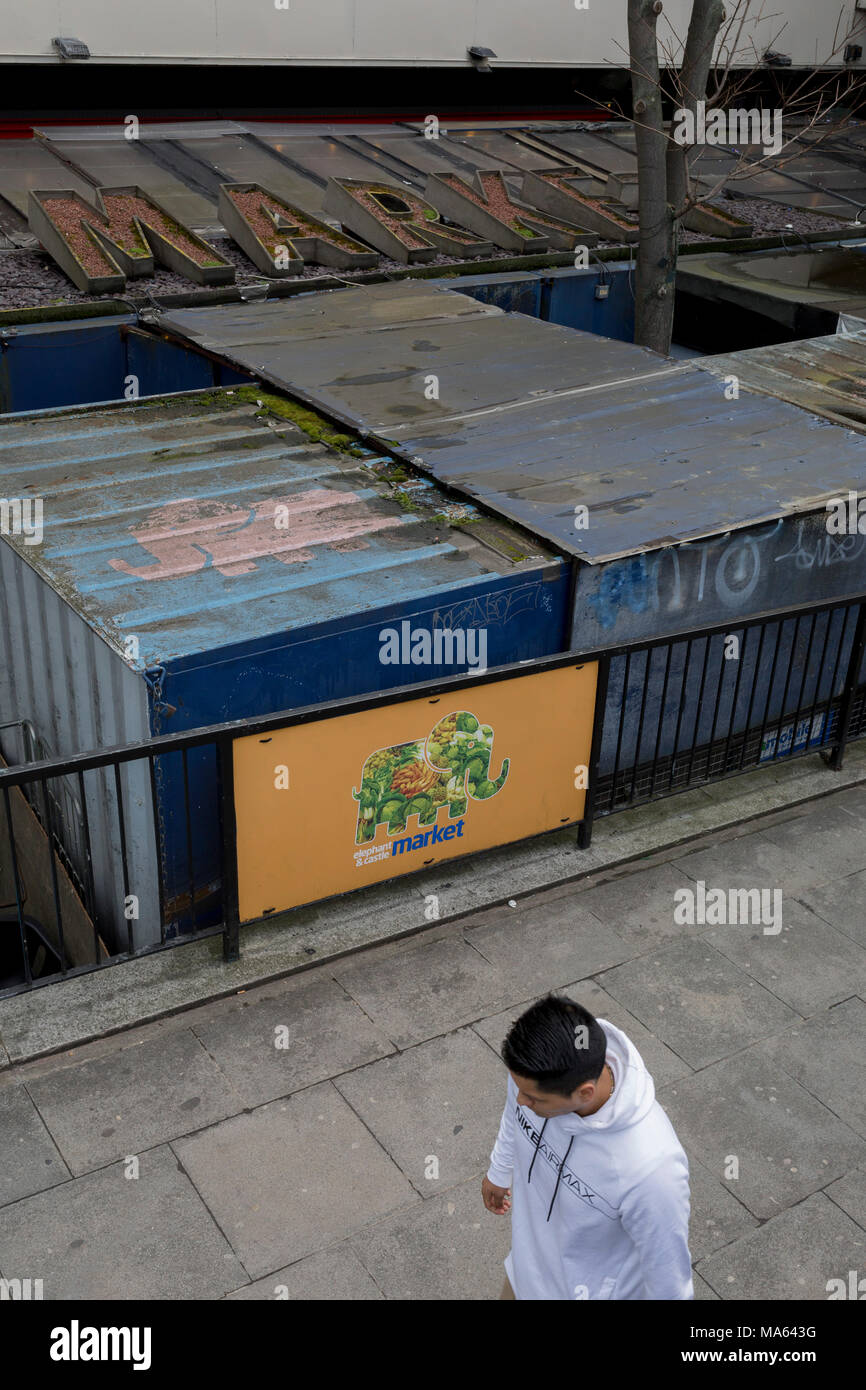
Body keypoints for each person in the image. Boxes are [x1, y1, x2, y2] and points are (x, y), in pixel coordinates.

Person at [482, 993, 693, 1300]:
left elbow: (669, 1279)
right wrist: (499, 1169)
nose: (521, 1101)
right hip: (524, 1274)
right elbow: (514, 1113)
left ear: (584, 1093)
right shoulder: (537, 1071)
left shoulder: (652, 1170)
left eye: (534, 1099)